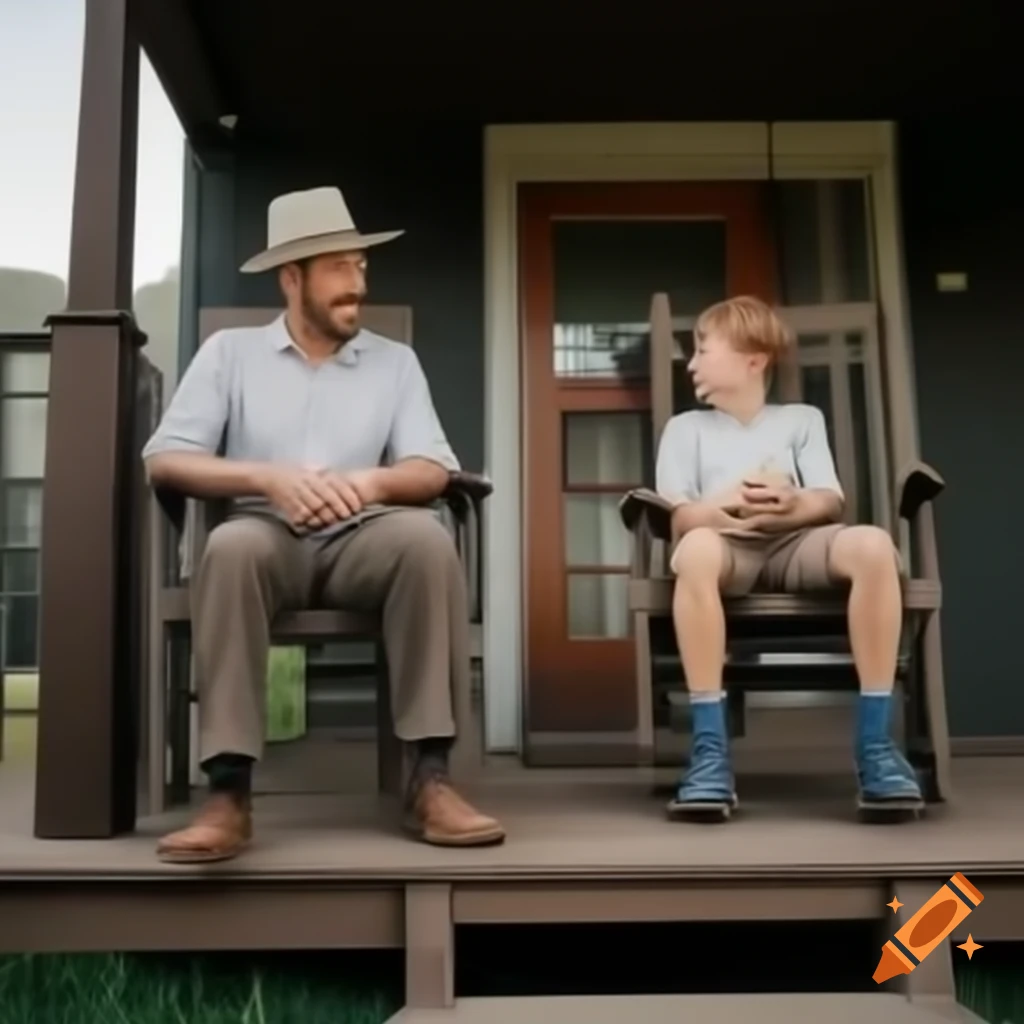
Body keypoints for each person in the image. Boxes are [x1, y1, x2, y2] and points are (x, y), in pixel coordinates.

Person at [143, 186, 505, 862]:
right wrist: (266, 478)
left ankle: (429, 780)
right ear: (292, 277)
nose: (358, 284)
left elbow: (433, 469)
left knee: (426, 540)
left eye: (362, 267)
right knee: (227, 546)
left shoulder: (395, 363)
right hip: (265, 537)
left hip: (362, 539)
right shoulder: (229, 356)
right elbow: (165, 460)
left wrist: (366, 483)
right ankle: (228, 794)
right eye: (340, 267)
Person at [655, 295, 922, 821]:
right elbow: (680, 516)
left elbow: (830, 498)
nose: (691, 363)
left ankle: (876, 749)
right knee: (696, 552)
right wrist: (728, 506)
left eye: (703, 350)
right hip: (727, 547)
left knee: (872, 545)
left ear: (754, 359)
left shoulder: (801, 420)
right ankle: (710, 754)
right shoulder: (685, 430)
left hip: (797, 543)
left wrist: (792, 502)